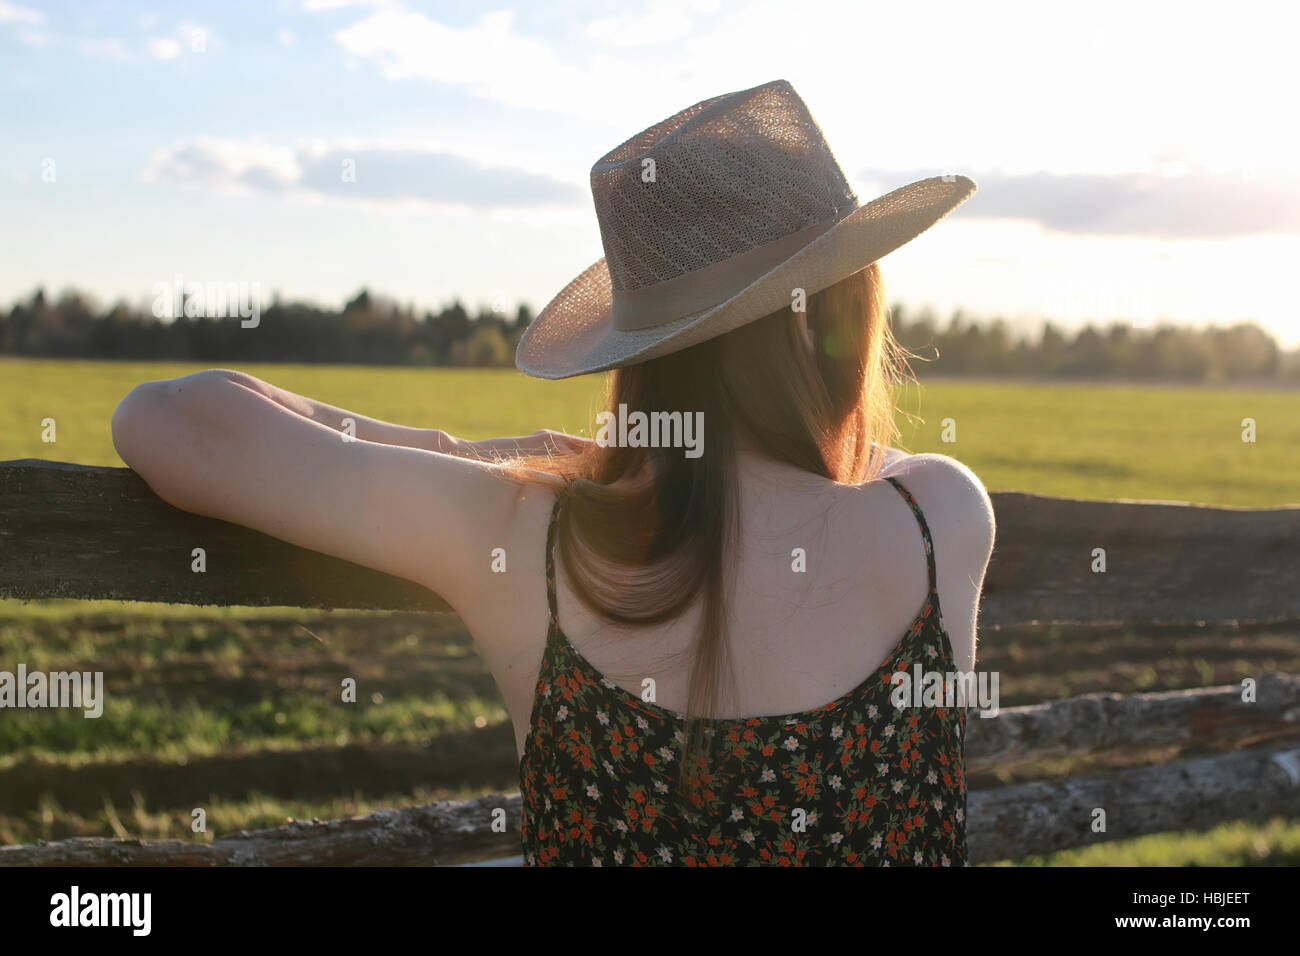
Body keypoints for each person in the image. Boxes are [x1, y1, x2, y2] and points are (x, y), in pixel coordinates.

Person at [112, 79, 995, 866]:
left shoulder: (521, 536)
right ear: (827, 317)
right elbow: (850, 466)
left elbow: (170, 419)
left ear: (637, 352)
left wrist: (489, 457)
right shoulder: (940, 517)